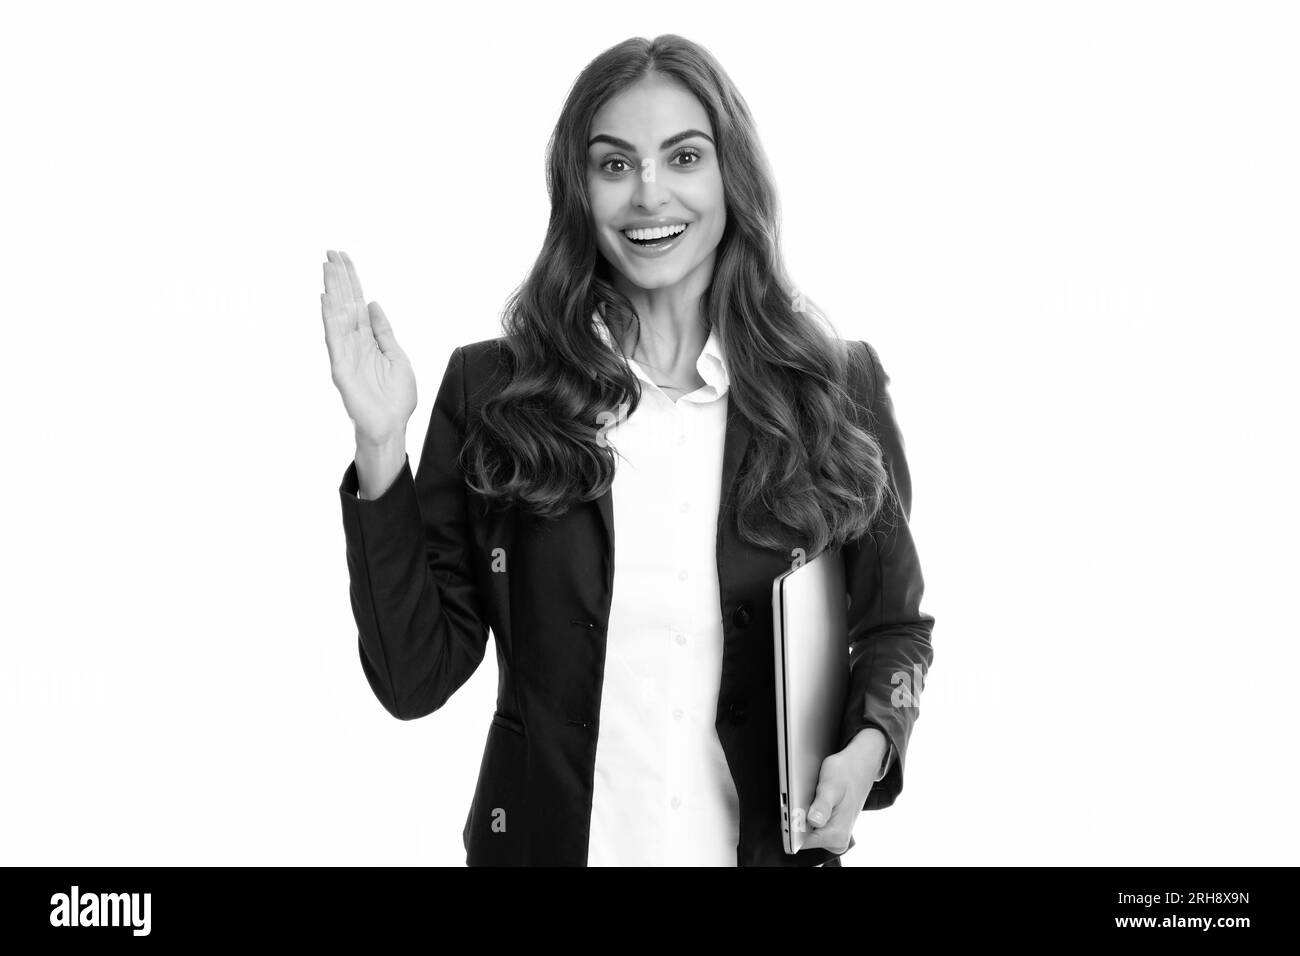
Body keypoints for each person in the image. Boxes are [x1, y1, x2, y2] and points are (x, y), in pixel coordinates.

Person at [321, 34, 934, 867]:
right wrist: (381, 447)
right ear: (580, 191)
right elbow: (413, 678)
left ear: (732, 177)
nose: (650, 194)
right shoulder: (496, 394)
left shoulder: (834, 390)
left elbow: (895, 626)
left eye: (683, 156)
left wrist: (872, 744)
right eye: (615, 165)